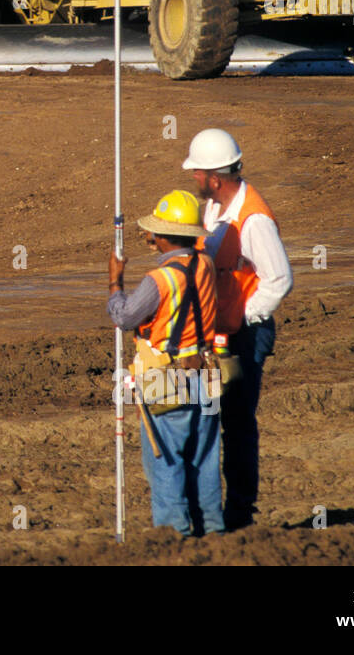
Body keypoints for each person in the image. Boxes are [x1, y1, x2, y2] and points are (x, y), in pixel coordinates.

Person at [182, 128, 293, 530]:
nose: (192, 178)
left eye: (197, 173)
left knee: (238, 422)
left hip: (245, 336)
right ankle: (214, 512)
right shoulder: (214, 208)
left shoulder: (253, 219)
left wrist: (241, 318)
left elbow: (279, 280)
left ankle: (241, 511)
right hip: (218, 333)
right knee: (211, 417)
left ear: (215, 177)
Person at [107, 189, 223, 537]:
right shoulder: (206, 264)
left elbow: (125, 317)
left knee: (166, 460)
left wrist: (115, 280)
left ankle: (175, 536)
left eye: (153, 231)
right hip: (207, 372)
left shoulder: (160, 279)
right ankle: (214, 532)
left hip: (165, 378)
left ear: (162, 236)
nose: (149, 235)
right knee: (204, 459)